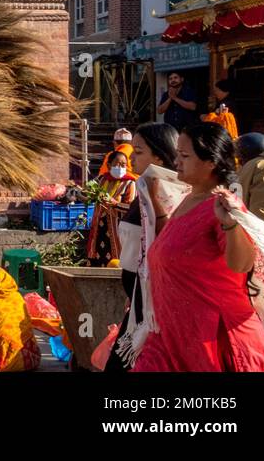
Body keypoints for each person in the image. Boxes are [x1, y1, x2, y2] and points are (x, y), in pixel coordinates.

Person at [132, 122, 264, 371]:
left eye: (184, 155)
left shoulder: (224, 207)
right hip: (174, 335)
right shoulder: (187, 199)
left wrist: (231, 226)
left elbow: (242, 264)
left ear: (210, 162)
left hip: (214, 341)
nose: (176, 161)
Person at [107, 122, 181, 372]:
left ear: (159, 156)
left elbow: (168, 242)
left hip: (154, 303)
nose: (130, 159)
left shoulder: (171, 194)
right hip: (139, 299)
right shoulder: (144, 188)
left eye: (138, 153)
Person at [87, 147, 138, 265]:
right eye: (117, 164)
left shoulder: (130, 183)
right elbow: (90, 193)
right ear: (109, 165)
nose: (120, 167)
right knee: (97, 259)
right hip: (99, 228)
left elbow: (132, 208)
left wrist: (115, 204)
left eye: (123, 165)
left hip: (117, 230)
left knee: (115, 262)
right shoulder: (102, 179)